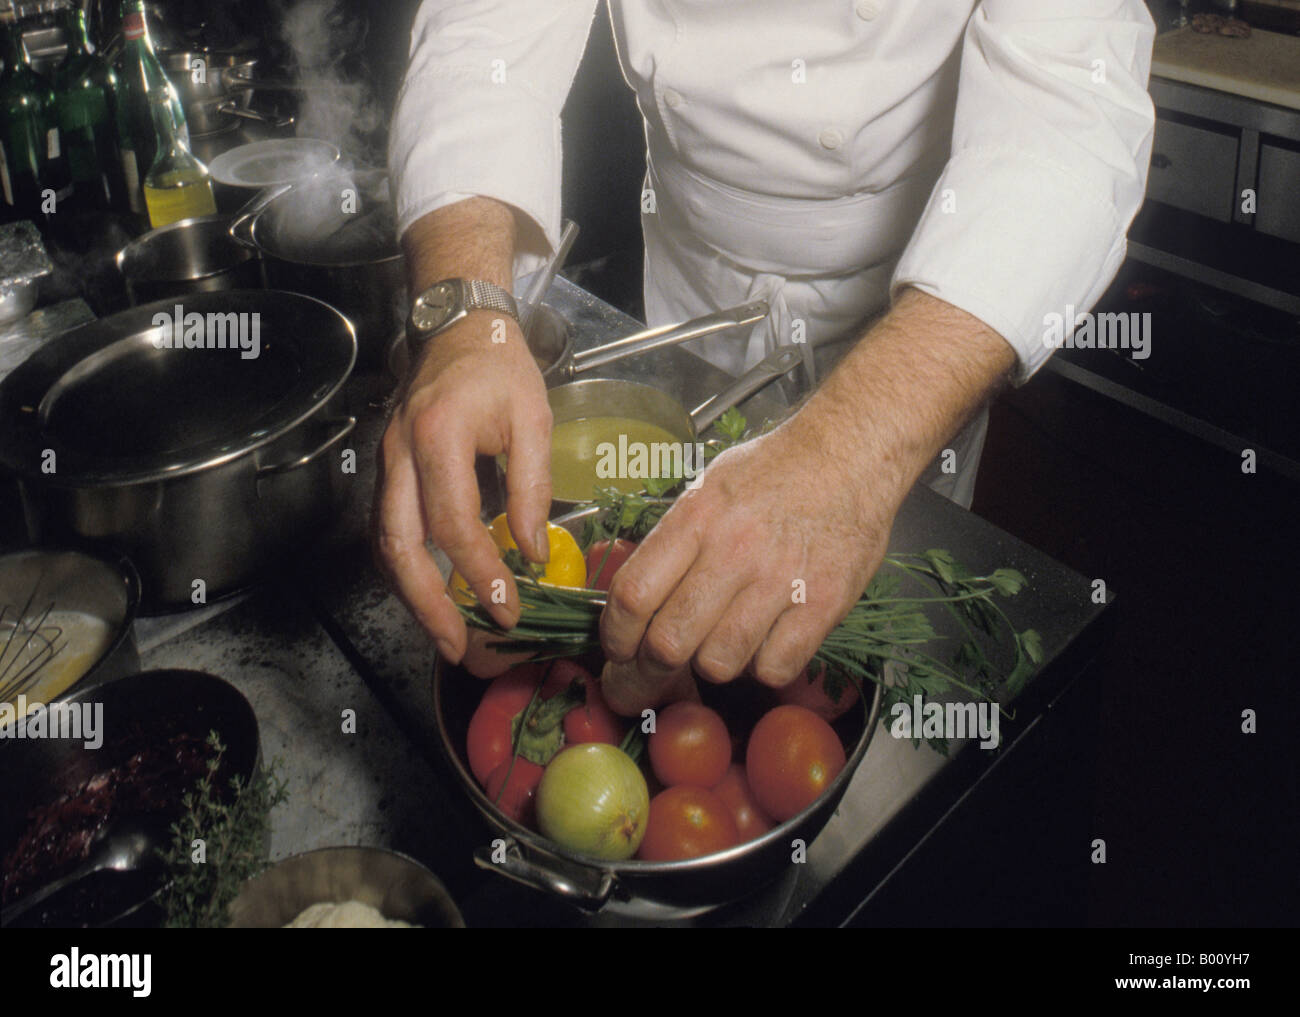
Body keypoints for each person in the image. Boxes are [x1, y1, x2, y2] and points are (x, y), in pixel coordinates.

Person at [379, 1, 1156, 713]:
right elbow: (485, 38)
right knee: (674, 651)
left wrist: (849, 449)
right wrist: (463, 313)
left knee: (875, 682)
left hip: (914, 328)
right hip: (699, 290)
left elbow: (1069, 121)